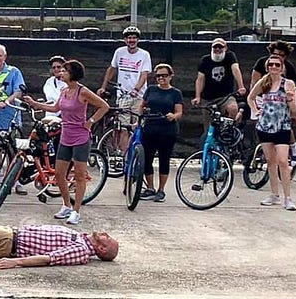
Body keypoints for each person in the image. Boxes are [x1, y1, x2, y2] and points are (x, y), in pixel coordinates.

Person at [21, 58, 109, 223]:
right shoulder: (64, 91)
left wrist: (90, 121)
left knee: (80, 176)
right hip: (66, 136)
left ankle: (76, 211)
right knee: (60, 174)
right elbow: (55, 108)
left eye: (64, 70)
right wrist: (34, 104)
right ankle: (66, 205)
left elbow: (104, 106)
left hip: (80, 137)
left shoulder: (82, 91)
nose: (61, 73)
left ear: (73, 74)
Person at [249, 49, 296, 210]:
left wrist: (291, 99)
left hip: (282, 126)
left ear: (282, 67)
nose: (274, 67)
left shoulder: (288, 84)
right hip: (265, 125)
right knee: (271, 161)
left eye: (277, 64)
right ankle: (274, 194)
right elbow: (250, 97)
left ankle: (288, 197)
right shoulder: (264, 82)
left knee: (283, 161)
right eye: (271, 64)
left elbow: (294, 108)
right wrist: (255, 110)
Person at [100, 26, 151, 150]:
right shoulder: (119, 52)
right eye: (129, 38)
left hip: (139, 97)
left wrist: (136, 89)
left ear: (138, 40)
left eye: (134, 38)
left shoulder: (144, 55)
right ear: (125, 40)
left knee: (137, 127)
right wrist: (103, 87)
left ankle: (137, 154)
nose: (131, 40)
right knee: (123, 128)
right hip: (123, 96)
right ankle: (125, 157)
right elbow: (112, 69)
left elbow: (144, 75)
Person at [138, 62, 183, 202]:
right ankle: (150, 187)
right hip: (150, 128)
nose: (161, 78)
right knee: (147, 159)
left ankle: (161, 190)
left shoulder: (175, 93)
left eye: (164, 76)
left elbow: (179, 112)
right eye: (158, 76)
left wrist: (173, 116)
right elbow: (142, 105)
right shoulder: (151, 90)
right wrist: (139, 119)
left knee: (164, 159)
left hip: (167, 131)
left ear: (170, 76)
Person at [192, 38, 244, 119]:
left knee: (233, 108)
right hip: (208, 98)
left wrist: (241, 86)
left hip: (226, 96)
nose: (217, 49)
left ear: (225, 48)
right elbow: (200, 79)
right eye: (215, 47)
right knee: (209, 127)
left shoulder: (230, 56)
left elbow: (235, 69)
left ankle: (230, 129)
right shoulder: (205, 60)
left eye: (220, 47)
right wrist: (197, 96)